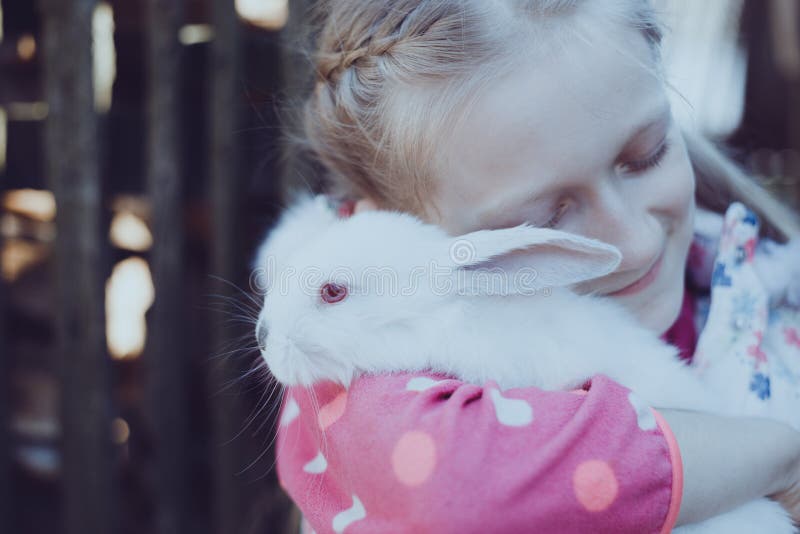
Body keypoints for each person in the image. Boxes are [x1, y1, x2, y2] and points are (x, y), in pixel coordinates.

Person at [273, 0, 800, 531]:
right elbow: (466, 489)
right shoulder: (375, 389)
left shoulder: (767, 285)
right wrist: (780, 456)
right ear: (396, 230)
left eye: (647, 154)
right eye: (543, 219)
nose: (637, 244)